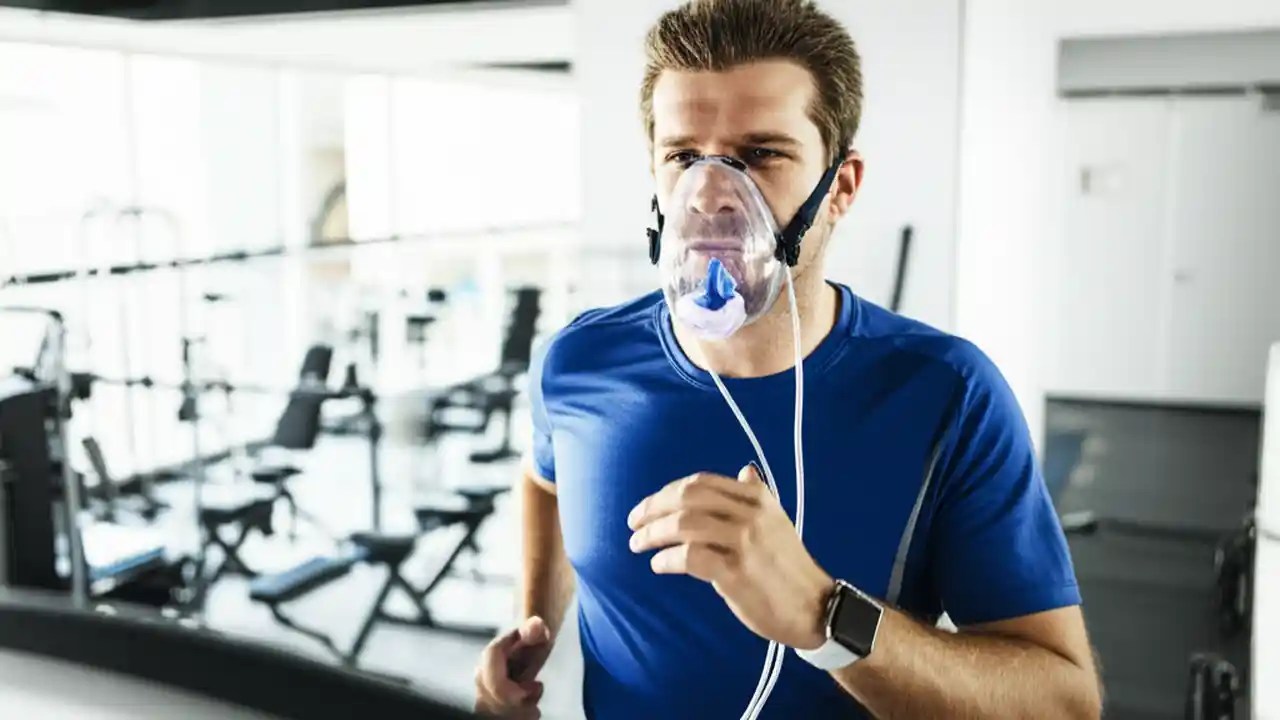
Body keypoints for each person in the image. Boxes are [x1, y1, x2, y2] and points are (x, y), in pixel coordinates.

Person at [474, 0, 1102, 717]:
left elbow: (1065, 703)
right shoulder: (576, 361)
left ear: (840, 187)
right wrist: (534, 623)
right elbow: (546, 479)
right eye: (683, 156)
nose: (710, 196)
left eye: (760, 155)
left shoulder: (947, 396)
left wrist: (822, 616)